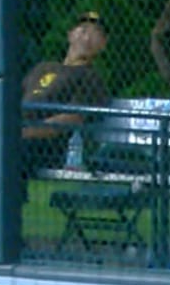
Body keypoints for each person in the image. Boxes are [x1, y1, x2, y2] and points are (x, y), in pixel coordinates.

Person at [21, 12, 110, 173]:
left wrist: (25, 132)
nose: (87, 38)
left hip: (44, 146)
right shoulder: (43, 67)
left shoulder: (90, 77)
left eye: (95, 34)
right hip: (15, 131)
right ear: (70, 35)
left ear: (103, 45)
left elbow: (72, 118)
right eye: (83, 30)